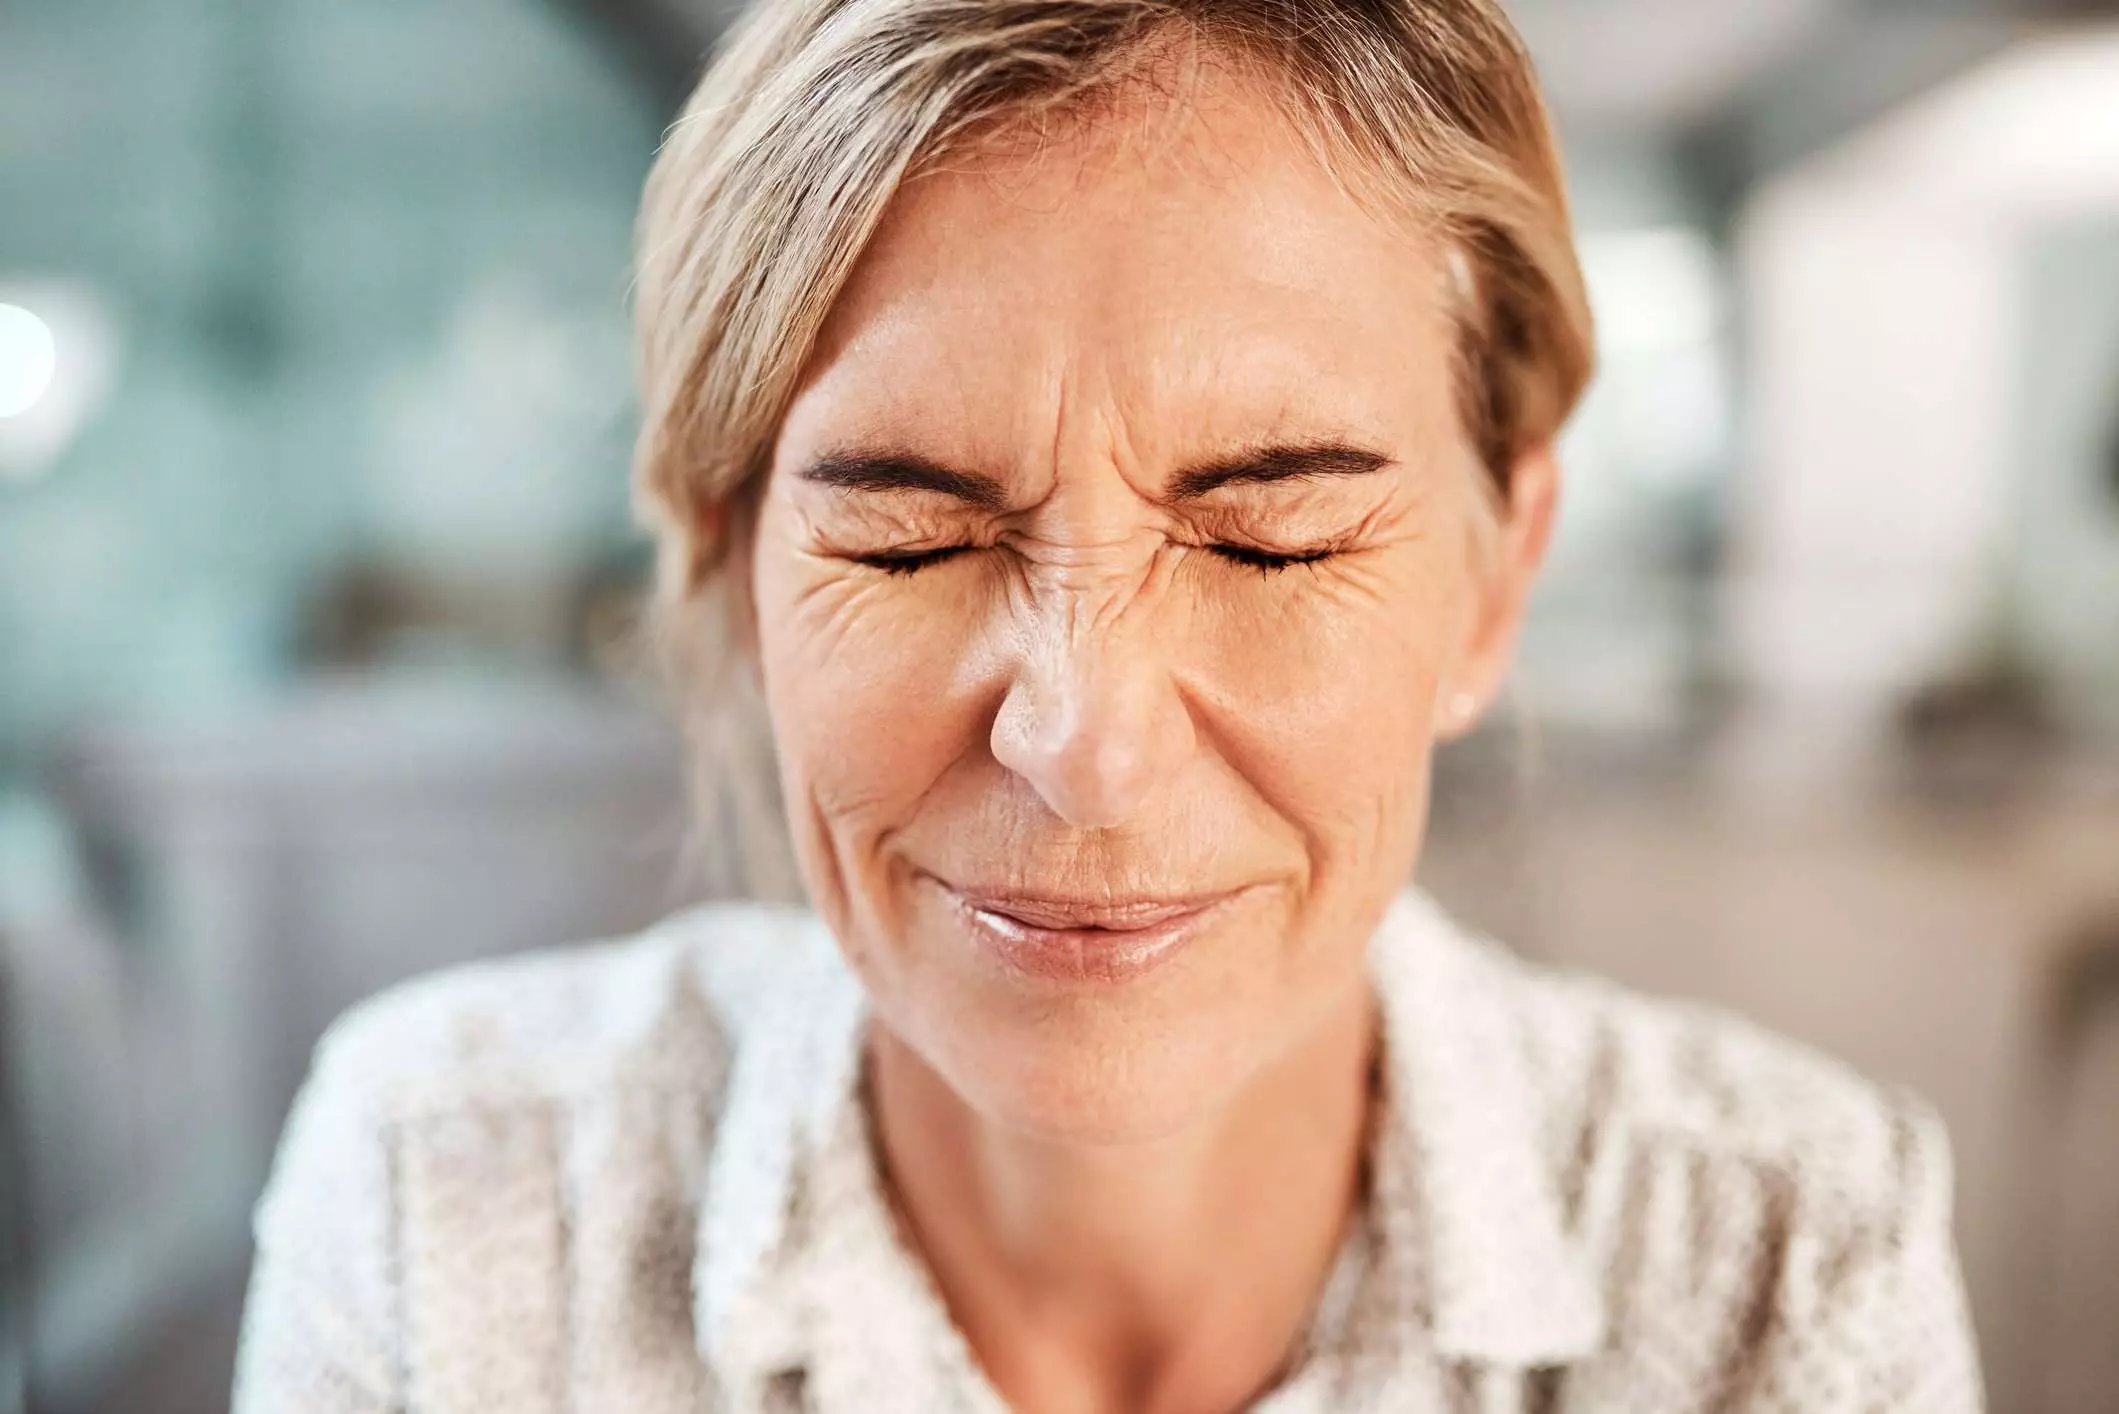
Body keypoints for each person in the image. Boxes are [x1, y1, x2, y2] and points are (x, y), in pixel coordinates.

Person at [232, 2, 1985, 1410]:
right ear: (730, 566)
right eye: (914, 541)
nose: (1084, 743)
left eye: (1272, 540)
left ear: (1493, 582)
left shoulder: (1778, 1253)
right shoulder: (448, 1194)